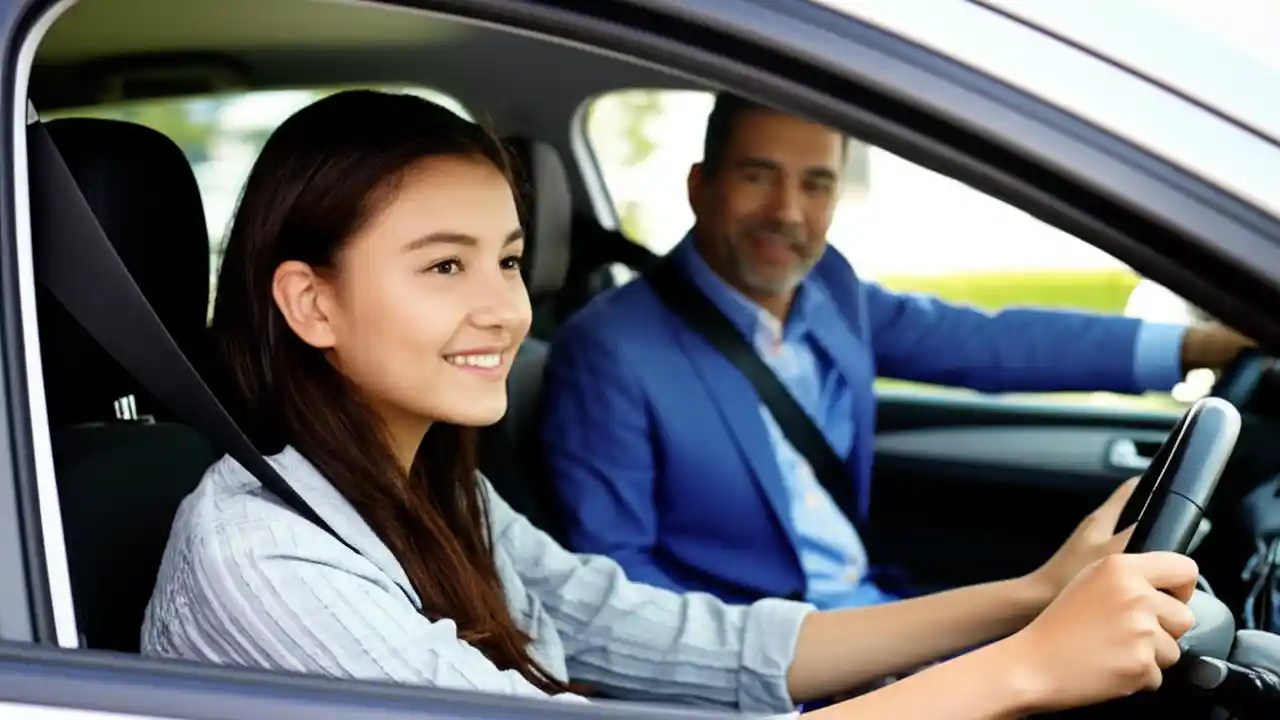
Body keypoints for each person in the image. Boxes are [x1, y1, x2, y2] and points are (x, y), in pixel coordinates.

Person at [141, 89, 1199, 719]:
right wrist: (1019, 672)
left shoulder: (428, 490)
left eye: (506, 260)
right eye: (444, 267)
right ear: (311, 303)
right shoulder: (262, 555)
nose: (505, 309)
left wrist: (1026, 599)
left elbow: (676, 638)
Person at [541, 92, 1253, 610]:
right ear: (701, 186)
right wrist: (796, 665)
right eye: (758, 175)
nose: (787, 211)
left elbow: (987, 342)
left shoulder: (830, 288)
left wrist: (1197, 345)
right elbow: (619, 582)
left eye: (816, 183)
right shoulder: (609, 350)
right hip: (766, 667)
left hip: (874, 607)